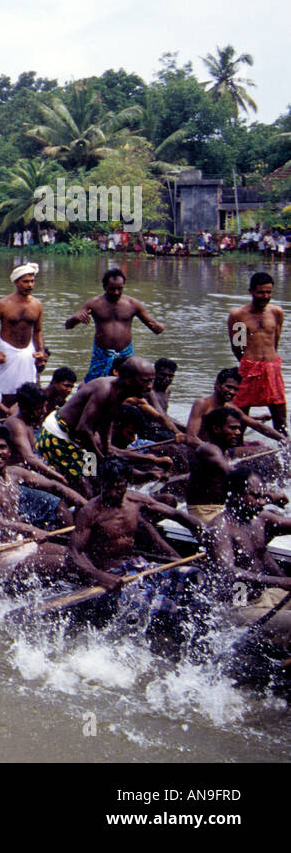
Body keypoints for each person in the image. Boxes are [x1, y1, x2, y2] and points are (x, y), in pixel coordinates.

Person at [0, 425, 85, 573]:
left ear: (10, 450)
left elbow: (54, 487)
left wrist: (88, 506)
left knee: (77, 554)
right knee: (69, 562)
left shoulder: (15, 473)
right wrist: (30, 529)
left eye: (2, 447)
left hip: (19, 542)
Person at [67, 459, 187, 591]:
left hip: (134, 564)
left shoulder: (136, 501)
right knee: (166, 605)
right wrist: (99, 576)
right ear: (102, 483)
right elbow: (74, 553)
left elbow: (176, 515)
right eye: (109, 487)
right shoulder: (89, 512)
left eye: (119, 487)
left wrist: (203, 530)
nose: (113, 493)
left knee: (192, 575)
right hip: (110, 571)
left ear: (126, 483)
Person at [37, 356, 156, 487]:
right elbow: (83, 429)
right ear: (128, 379)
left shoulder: (120, 391)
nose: (150, 387)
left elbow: (107, 421)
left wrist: (107, 447)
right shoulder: (104, 391)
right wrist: (101, 458)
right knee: (86, 486)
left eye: (151, 381)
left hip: (79, 439)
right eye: (145, 381)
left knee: (94, 478)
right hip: (58, 436)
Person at [205, 470, 291, 646]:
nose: (261, 503)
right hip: (239, 604)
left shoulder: (260, 519)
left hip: (265, 596)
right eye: (256, 497)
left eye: (263, 497)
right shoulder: (221, 528)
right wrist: (279, 582)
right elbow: (229, 572)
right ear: (236, 495)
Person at [63, 268, 165, 381]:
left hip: (125, 352)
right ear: (104, 287)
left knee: (130, 384)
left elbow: (155, 327)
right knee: (94, 384)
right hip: (101, 352)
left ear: (124, 286)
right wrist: (75, 318)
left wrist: (160, 326)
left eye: (119, 289)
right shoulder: (94, 303)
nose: (116, 292)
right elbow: (68, 325)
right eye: (112, 289)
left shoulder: (133, 304)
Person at [228, 272, 287, 434]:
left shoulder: (276, 313)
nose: (265, 296)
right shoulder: (238, 315)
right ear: (251, 292)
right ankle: (236, 451)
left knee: (280, 417)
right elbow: (237, 346)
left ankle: (285, 452)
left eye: (268, 292)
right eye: (261, 292)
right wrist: (249, 362)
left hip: (272, 369)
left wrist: (269, 360)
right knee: (239, 415)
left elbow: (275, 339)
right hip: (249, 368)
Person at [0, 263, 44, 406]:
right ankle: (4, 426)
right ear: (16, 282)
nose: (30, 285)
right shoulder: (3, 304)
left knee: (30, 393)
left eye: (32, 281)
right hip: (7, 351)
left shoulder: (37, 305)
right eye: (25, 282)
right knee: (8, 397)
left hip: (27, 351)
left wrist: (40, 351)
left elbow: (38, 330)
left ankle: (26, 426)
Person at [185, 367, 287, 443]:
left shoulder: (229, 407)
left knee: (260, 446)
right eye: (228, 387)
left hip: (220, 448)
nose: (232, 392)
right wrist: (213, 452)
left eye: (235, 389)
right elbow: (191, 437)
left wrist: (284, 440)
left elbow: (257, 426)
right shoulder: (202, 404)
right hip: (205, 450)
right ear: (217, 384)